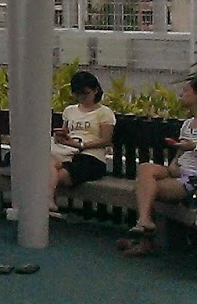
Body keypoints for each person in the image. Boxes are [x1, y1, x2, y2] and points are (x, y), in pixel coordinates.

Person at [121, 68, 197, 257]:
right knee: (145, 169)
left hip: (191, 179)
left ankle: (145, 238)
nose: (181, 94)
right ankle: (145, 221)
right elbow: (180, 149)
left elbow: (189, 146)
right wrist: (174, 162)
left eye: (186, 91)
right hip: (177, 171)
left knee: (144, 189)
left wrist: (193, 146)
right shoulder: (188, 123)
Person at [49, 70, 115, 213]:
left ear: (95, 90)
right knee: (48, 166)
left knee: (57, 175)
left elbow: (106, 140)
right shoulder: (70, 110)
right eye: (78, 94)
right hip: (68, 152)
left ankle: (48, 203)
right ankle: (48, 203)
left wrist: (81, 145)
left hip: (91, 157)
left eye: (85, 93)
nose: (81, 97)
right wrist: (62, 138)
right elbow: (66, 131)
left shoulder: (104, 113)